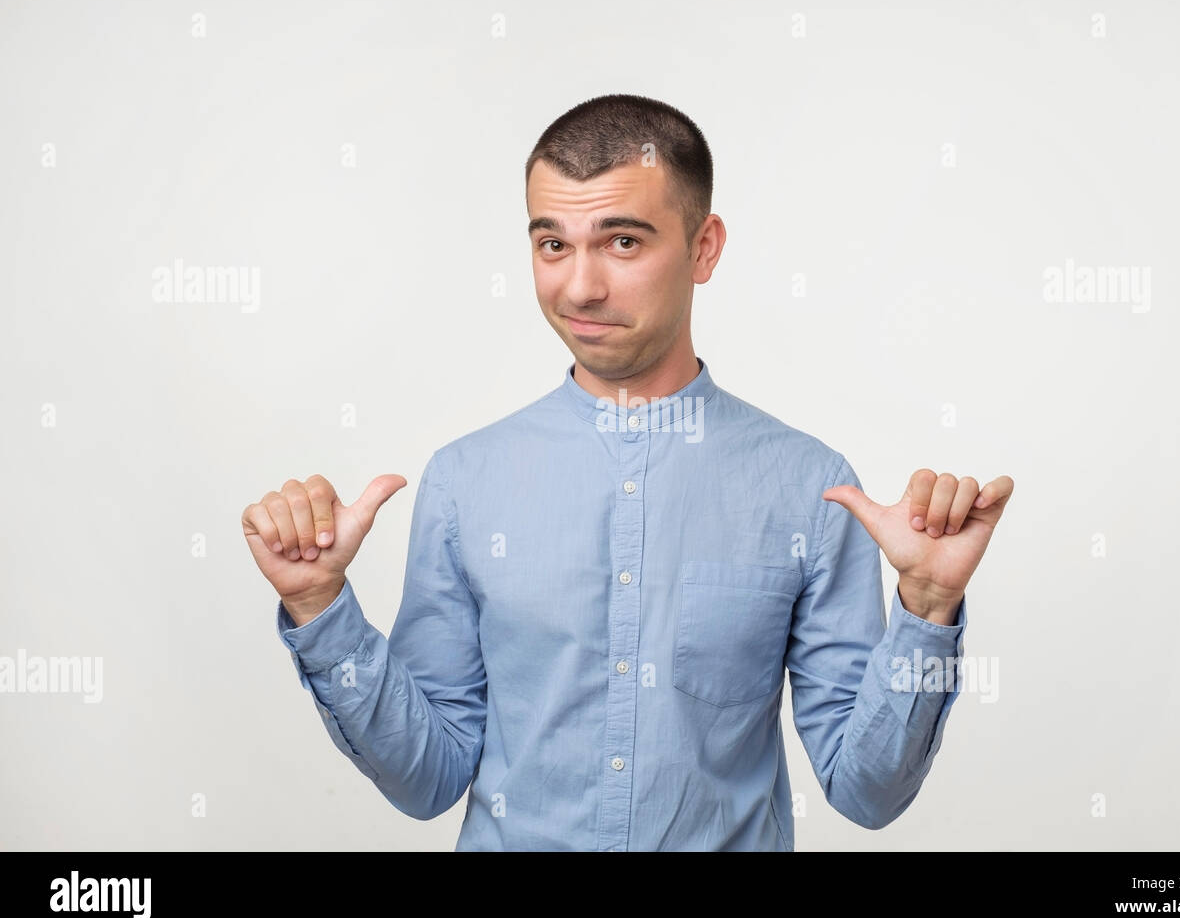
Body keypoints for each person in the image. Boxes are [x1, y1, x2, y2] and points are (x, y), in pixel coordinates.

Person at [241, 93, 1014, 851]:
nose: (579, 287)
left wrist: (929, 607)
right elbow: (426, 781)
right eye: (552, 245)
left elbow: (867, 790)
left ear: (704, 248)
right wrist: (320, 608)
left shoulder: (809, 488)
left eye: (622, 242)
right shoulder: (463, 483)